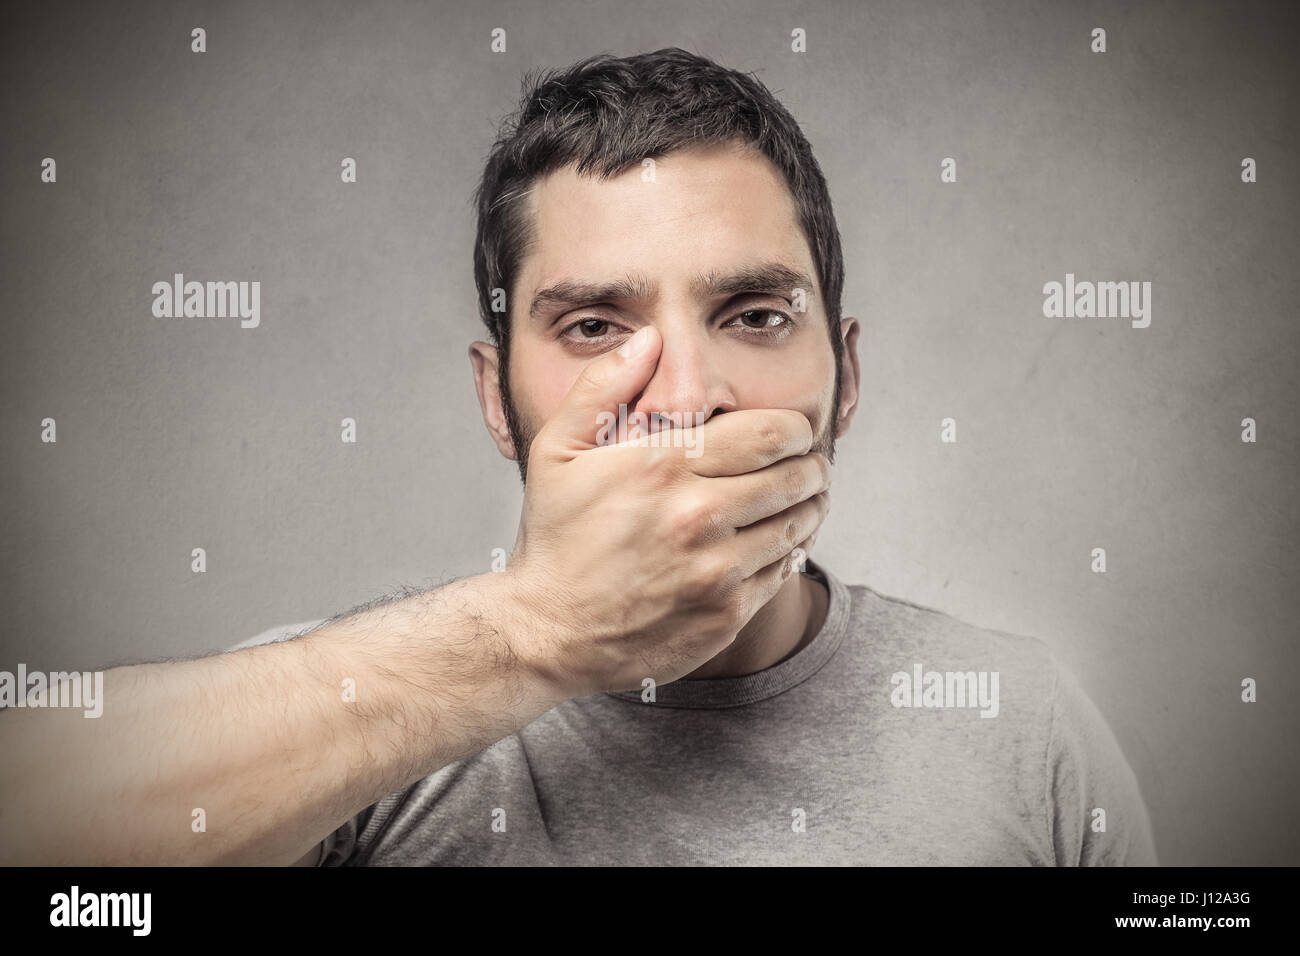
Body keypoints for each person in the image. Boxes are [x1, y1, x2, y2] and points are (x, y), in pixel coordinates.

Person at [0, 48, 1157, 867]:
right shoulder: (350, 727)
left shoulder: (1021, 725)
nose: (687, 396)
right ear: (498, 401)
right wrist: (533, 633)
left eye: (754, 314)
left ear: (843, 376)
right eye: (595, 327)